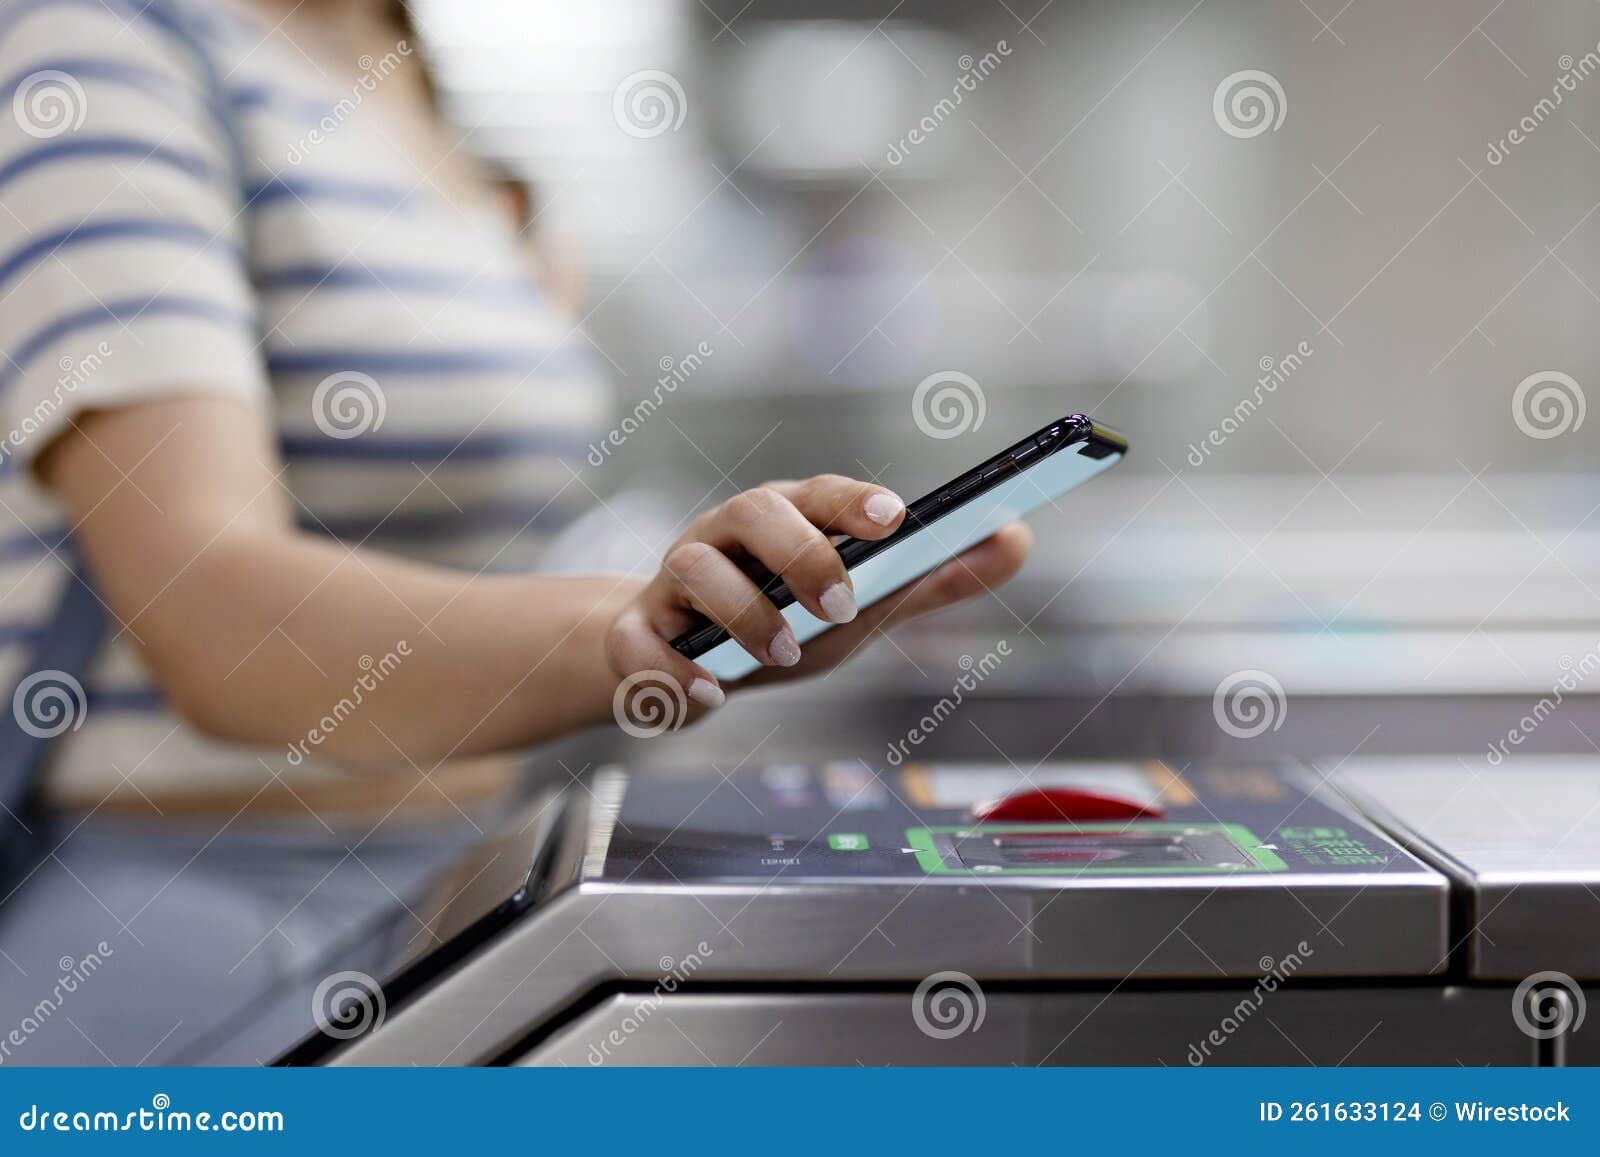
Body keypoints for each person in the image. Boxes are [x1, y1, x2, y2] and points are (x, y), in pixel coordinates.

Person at [0, 0, 1030, 1063]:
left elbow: (480, 559)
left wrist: (720, 585)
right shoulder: (101, 49)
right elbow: (217, 621)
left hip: (459, 884)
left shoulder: (409, 89)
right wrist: (633, 631)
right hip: (186, 949)